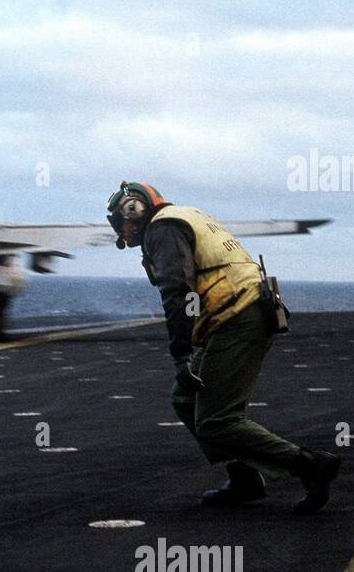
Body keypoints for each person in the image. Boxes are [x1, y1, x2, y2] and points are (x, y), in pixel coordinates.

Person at [106, 181, 340, 513]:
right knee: (186, 399)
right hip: (242, 313)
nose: (122, 231)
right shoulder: (187, 215)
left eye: (121, 222)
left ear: (136, 210)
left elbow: (180, 291)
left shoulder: (163, 228)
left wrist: (181, 354)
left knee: (216, 421)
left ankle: (309, 465)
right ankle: (245, 479)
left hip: (238, 317)